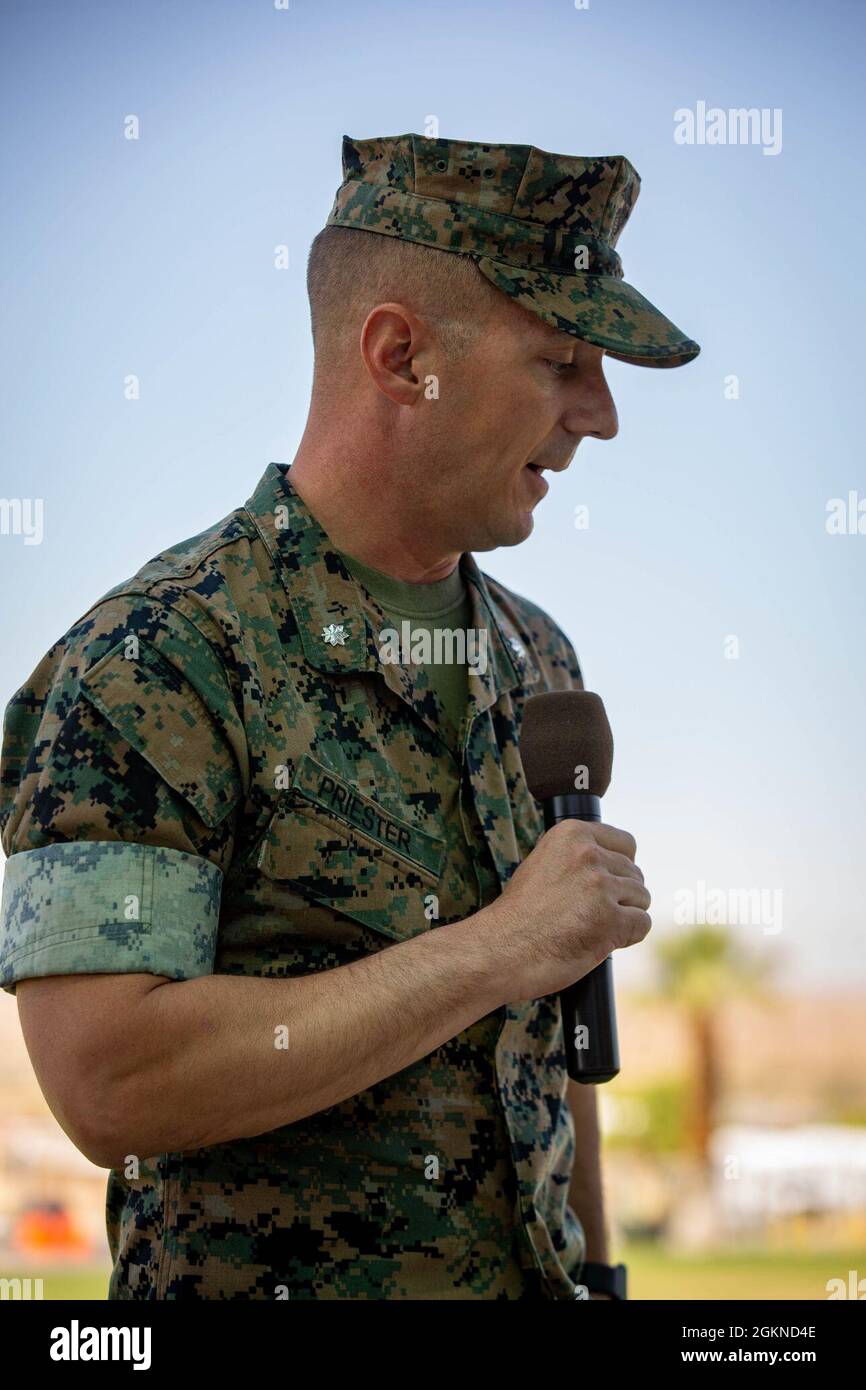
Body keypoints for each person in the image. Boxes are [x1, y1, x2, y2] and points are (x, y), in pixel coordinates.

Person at [0, 132, 699, 1300]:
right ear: (399, 354)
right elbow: (108, 1085)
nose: (600, 414)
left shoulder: (536, 658)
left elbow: (555, 1045)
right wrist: (492, 949)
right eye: (561, 359)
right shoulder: (154, 658)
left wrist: (601, 1272)